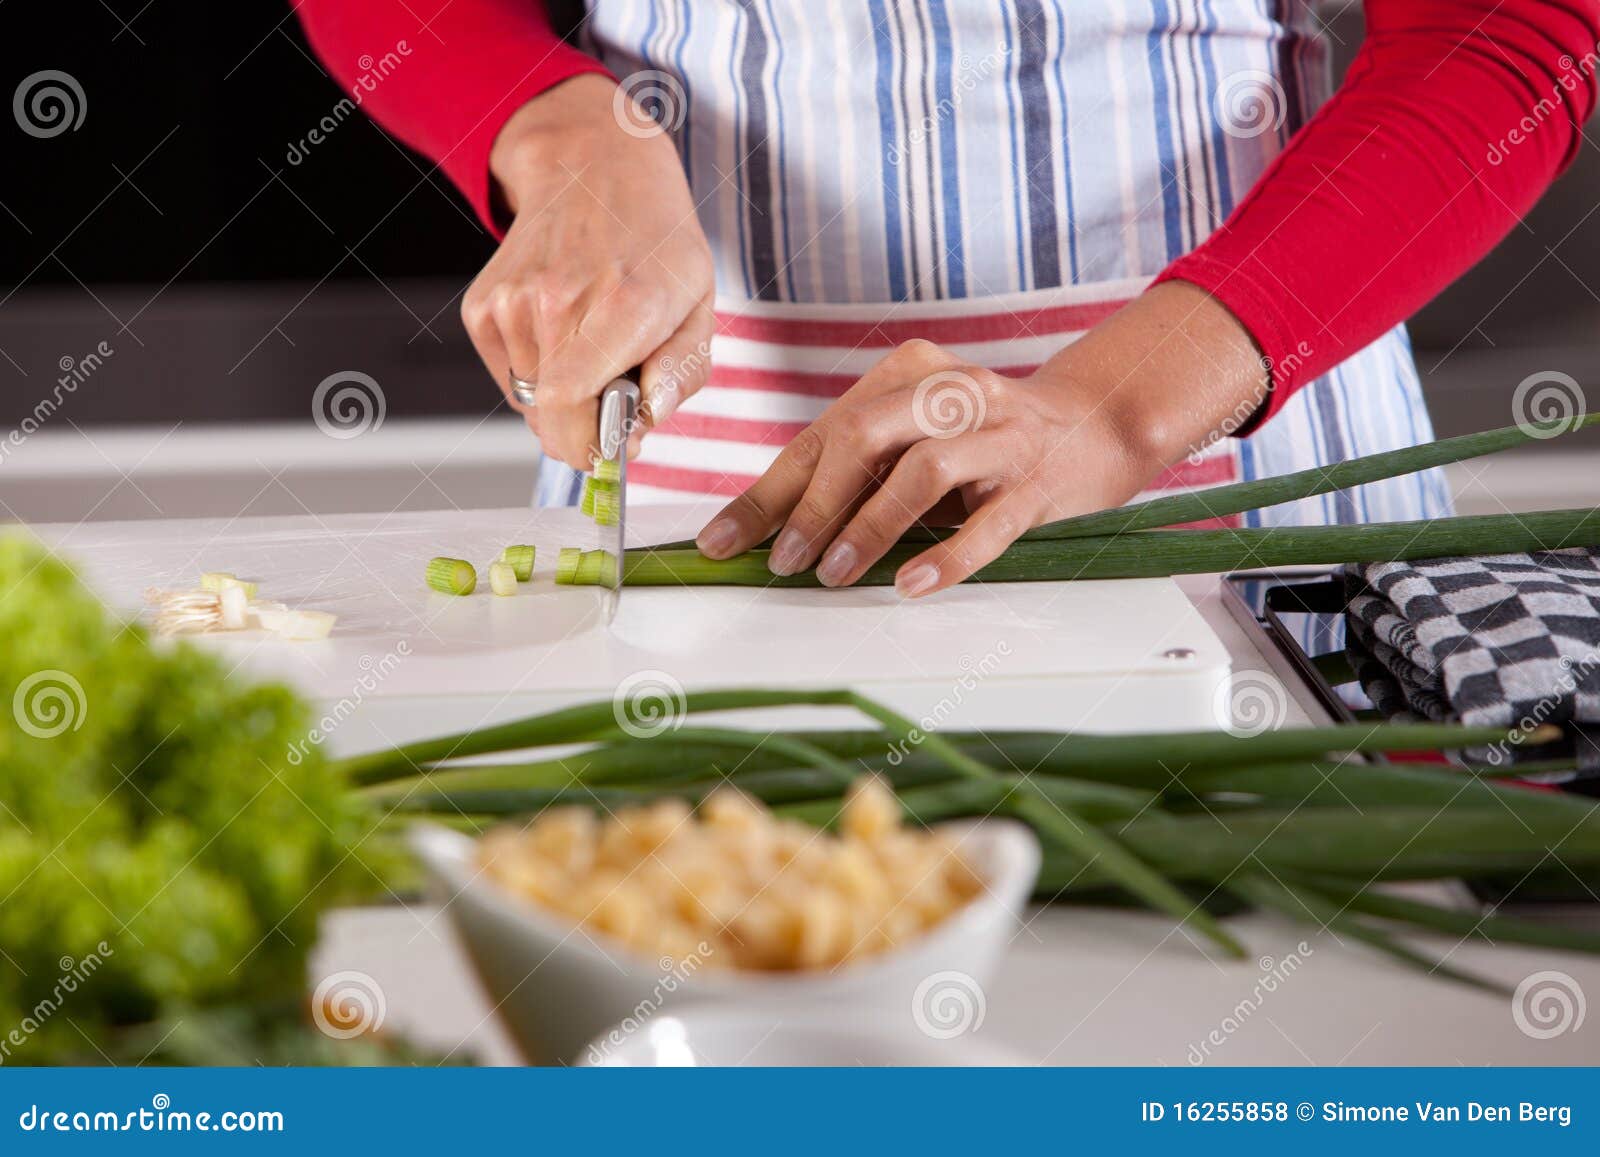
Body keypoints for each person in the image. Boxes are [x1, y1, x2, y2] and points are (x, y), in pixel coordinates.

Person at [301, 0, 1599, 597]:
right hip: (701, 453)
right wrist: (559, 130)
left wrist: (1113, 409)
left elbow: (1501, 29)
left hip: (1223, 457)